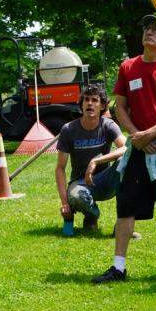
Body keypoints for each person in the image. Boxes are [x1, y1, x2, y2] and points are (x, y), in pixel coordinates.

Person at [92, 14, 156, 285]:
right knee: (125, 204)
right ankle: (118, 267)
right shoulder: (128, 67)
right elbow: (120, 107)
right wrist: (136, 135)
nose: (149, 32)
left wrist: (150, 134)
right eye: (146, 28)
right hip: (139, 146)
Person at [55, 84, 126, 229]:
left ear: (102, 106)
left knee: (127, 161)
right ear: (81, 104)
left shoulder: (108, 125)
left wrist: (96, 160)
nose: (90, 103)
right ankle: (91, 217)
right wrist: (64, 203)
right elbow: (60, 169)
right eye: (86, 100)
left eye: (95, 100)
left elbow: (126, 148)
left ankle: (123, 224)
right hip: (81, 183)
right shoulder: (68, 129)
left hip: (106, 181)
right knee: (76, 196)